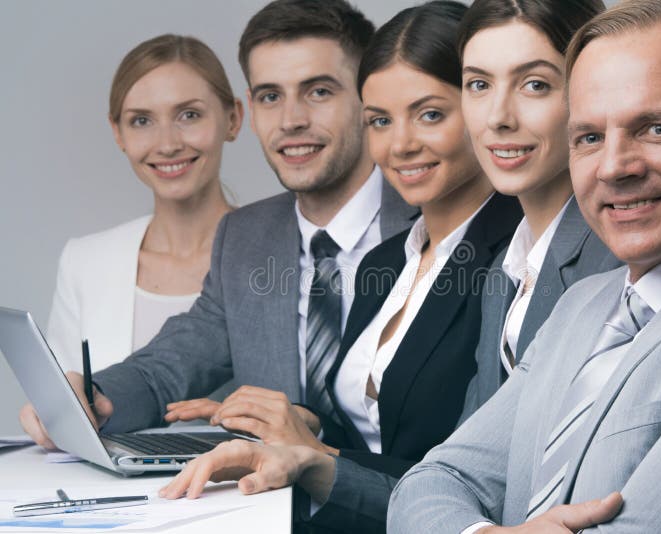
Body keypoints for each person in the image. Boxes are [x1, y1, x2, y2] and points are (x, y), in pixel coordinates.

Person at [388, 0, 661, 532]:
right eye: (588, 137)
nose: (613, 167)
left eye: (656, 127)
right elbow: (429, 484)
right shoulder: (586, 304)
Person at [158, 3, 523, 533]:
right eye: (380, 120)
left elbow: (473, 479)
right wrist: (301, 426)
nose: (400, 145)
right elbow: (378, 432)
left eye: (430, 114)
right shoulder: (389, 260)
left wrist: (315, 456)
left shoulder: (518, 259)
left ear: (479, 106)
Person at [20, 0, 416, 447]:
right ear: (250, 107)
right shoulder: (246, 238)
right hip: (264, 507)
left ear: (368, 98)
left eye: (318, 91)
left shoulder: (432, 220)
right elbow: (168, 364)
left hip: (399, 502)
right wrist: (98, 397)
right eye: (271, 96)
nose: (291, 121)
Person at [456, 0, 621, 422]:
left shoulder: (618, 259)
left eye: (534, 85)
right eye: (479, 85)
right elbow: (465, 464)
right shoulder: (503, 273)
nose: (498, 117)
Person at [46, 34, 243, 375]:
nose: (167, 144)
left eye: (189, 115)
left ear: (233, 119)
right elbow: (65, 412)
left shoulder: (283, 255)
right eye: (141, 121)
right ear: (118, 132)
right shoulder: (84, 263)